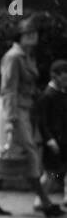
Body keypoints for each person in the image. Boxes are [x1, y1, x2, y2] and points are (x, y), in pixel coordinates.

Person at [0, 16, 62, 218]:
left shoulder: (27, 57)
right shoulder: (14, 57)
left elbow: (28, 87)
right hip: (13, 111)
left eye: (34, 34)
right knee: (29, 154)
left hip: (22, 110)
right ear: (20, 36)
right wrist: (10, 120)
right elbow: (9, 90)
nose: (32, 37)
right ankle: (44, 202)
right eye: (27, 34)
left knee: (8, 155)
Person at [33, 58, 67, 198]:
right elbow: (42, 121)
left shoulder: (62, 94)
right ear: (55, 76)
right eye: (64, 77)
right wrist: (49, 139)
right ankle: (40, 199)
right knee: (51, 173)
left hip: (63, 139)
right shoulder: (47, 96)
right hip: (53, 141)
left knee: (62, 171)